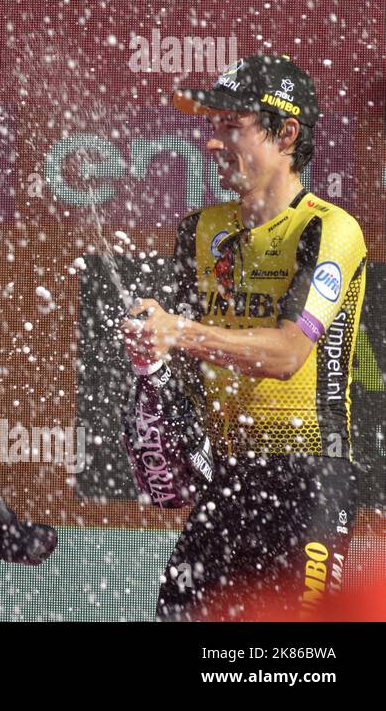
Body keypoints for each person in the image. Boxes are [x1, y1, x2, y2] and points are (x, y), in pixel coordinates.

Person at [122, 54, 364, 620]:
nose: (211, 143)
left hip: (309, 479)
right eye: (212, 127)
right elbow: (178, 362)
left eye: (231, 127)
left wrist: (177, 331)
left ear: (285, 134)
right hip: (227, 481)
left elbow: (288, 354)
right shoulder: (201, 231)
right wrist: (151, 370)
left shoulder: (328, 228)